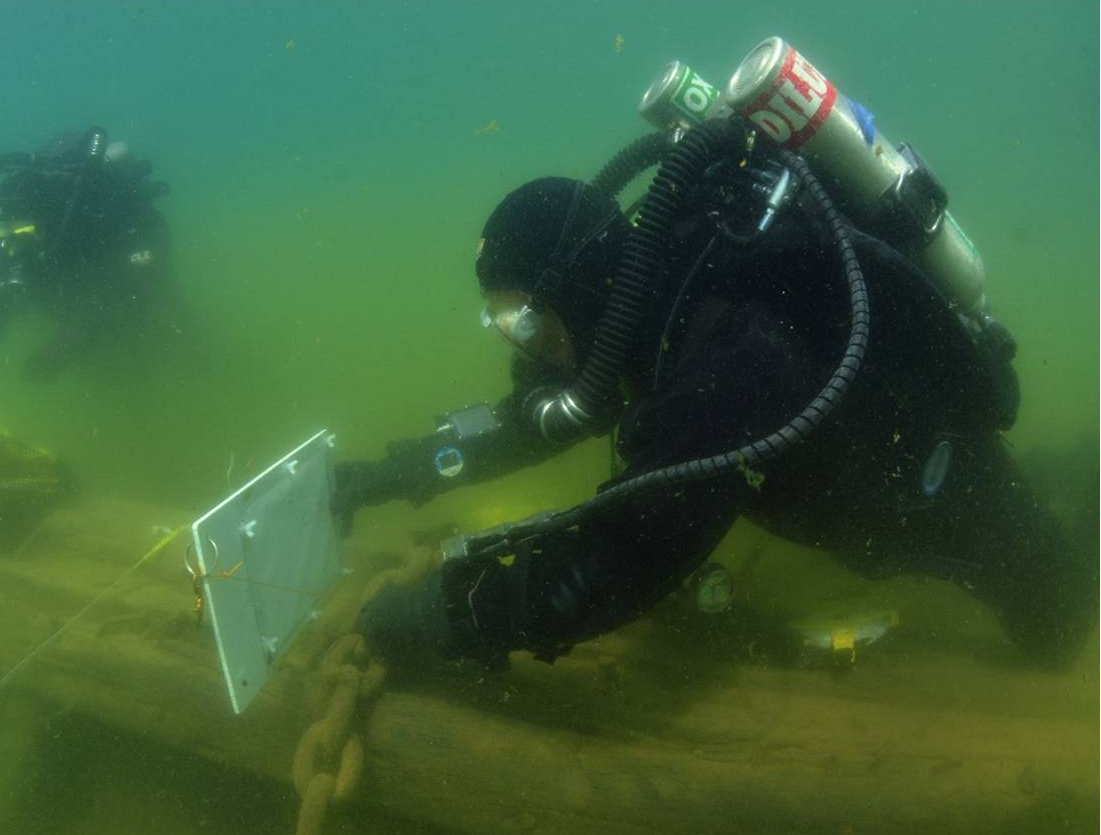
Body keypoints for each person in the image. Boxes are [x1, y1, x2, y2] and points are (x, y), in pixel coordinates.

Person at [334, 118, 1095, 673]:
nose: (512, 341)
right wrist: (380, 477)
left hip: (929, 488)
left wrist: (455, 613)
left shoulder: (726, 358)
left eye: (515, 318)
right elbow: (528, 422)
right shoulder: (624, 315)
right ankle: (1066, 465)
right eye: (498, 318)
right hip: (839, 489)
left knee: (1058, 626)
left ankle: (1088, 479)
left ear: (570, 290)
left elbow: (618, 563)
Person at [0, 125, 177, 383]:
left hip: (132, 320)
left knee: (138, 365)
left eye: (22, 229)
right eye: (7, 229)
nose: (12, 240)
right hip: (78, 308)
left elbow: (136, 286)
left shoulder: (108, 220)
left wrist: (72, 341)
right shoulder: (25, 218)